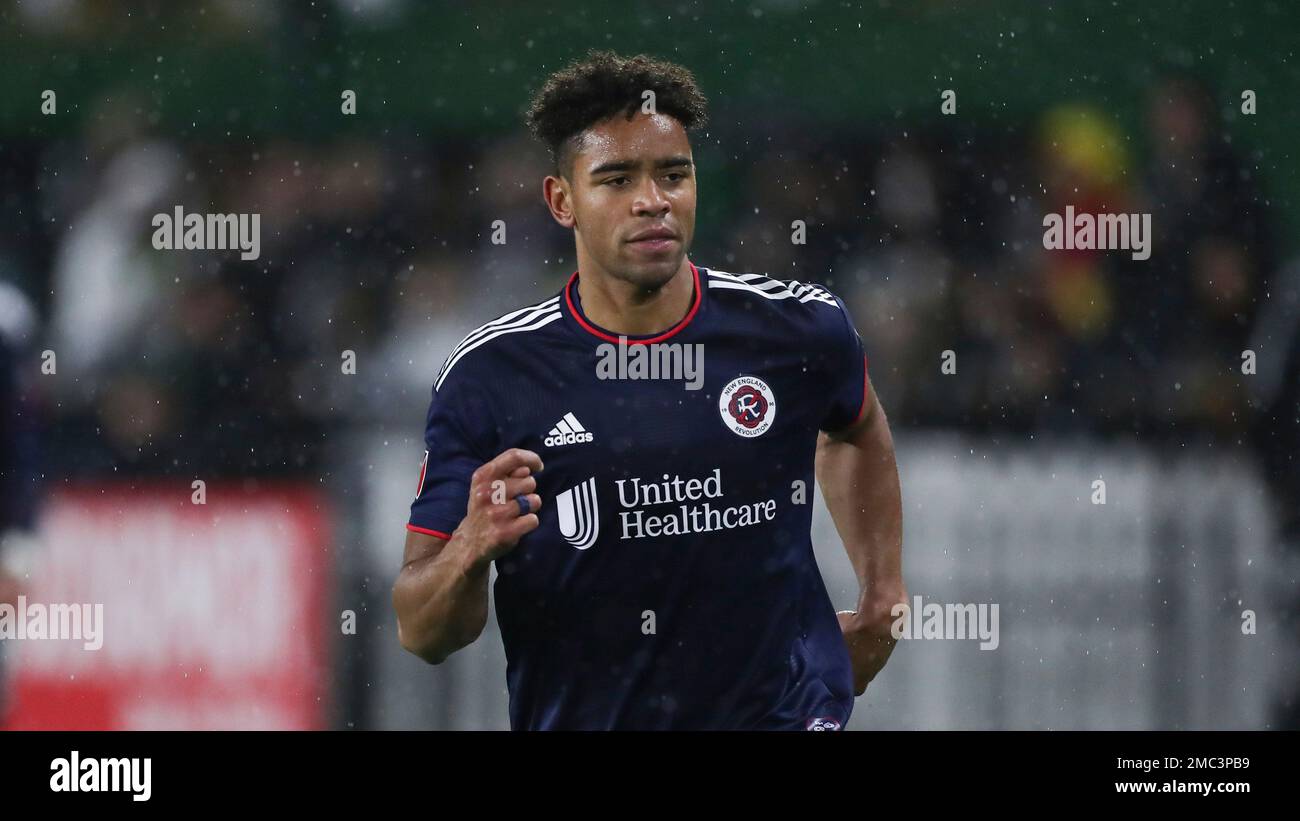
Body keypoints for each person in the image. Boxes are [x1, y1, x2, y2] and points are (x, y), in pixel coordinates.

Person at [392, 50, 906, 730]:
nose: (652, 200)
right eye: (616, 178)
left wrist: (881, 593)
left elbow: (855, 425)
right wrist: (469, 548)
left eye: (673, 174)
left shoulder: (795, 330)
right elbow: (424, 632)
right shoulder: (491, 376)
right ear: (561, 200)